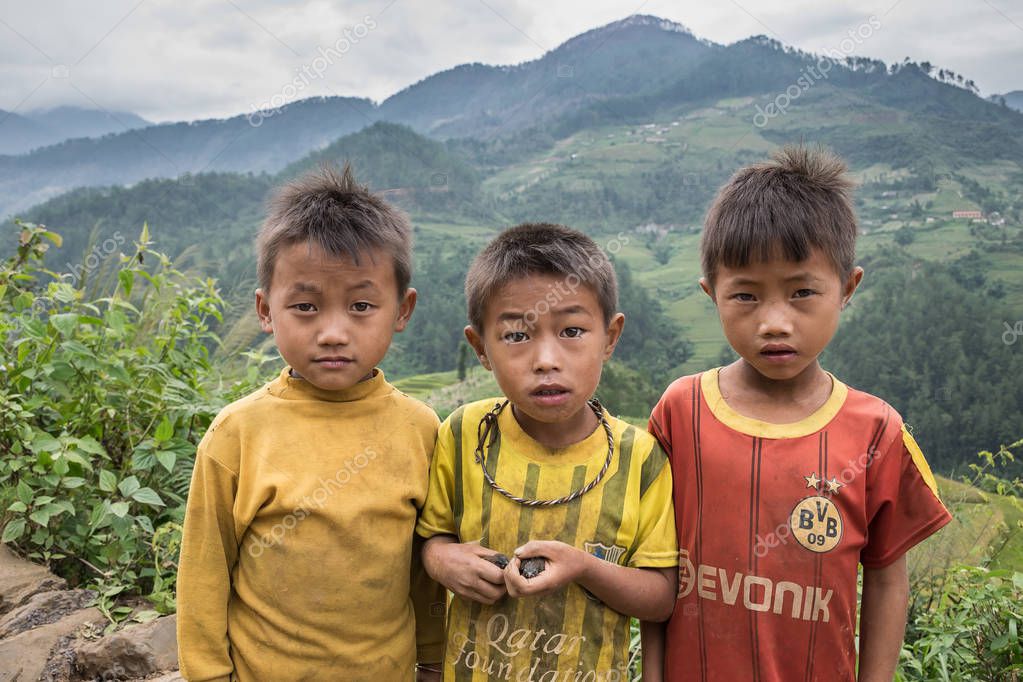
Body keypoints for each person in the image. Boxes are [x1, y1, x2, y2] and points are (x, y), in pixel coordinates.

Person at [647, 146, 952, 681]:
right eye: (745, 296)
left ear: (848, 289)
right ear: (710, 294)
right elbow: (653, 564)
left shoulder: (876, 431)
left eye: (802, 292)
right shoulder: (681, 412)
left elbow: (885, 579)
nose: (774, 322)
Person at [176, 165, 446, 681]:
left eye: (361, 306)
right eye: (305, 306)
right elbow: (203, 573)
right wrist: (209, 675)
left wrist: (432, 661)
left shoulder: (421, 429)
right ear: (266, 310)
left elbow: (425, 567)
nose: (333, 333)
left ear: (402, 310)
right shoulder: (238, 434)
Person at [417, 222, 678, 680]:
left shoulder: (641, 460)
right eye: (516, 336)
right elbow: (432, 538)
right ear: (480, 348)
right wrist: (443, 560)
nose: (546, 360)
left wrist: (583, 567)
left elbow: (659, 598)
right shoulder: (462, 434)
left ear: (610, 337)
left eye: (573, 330)